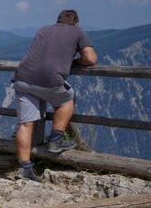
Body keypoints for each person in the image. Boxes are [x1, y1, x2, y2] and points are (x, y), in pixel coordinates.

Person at [13, 9, 97, 181]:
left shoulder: (43, 29)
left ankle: (24, 168)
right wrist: (74, 61)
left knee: (25, 124)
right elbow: (90, 58)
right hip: (48, 79)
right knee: (67, 100)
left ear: (57, 21)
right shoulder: (78, 31)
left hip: (22, 77)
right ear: (76, 23)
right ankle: (55, 140)